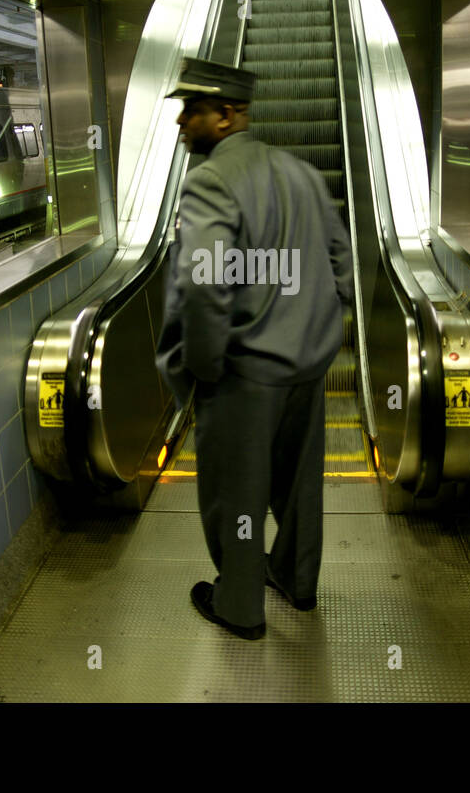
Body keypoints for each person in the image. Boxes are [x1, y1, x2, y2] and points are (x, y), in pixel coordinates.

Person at [155, 57, 354, 640]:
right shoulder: (300, 174)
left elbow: (203, 283)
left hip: (245, 373)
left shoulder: (211, 180)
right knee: (298, 485)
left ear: (226, 115)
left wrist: (205, 368)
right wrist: (320, 324)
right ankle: (297, 579)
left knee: (236, 497)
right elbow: (342, 261)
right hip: (308, 365)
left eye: (190, 111)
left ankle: (239, 606)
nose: (181, 123)